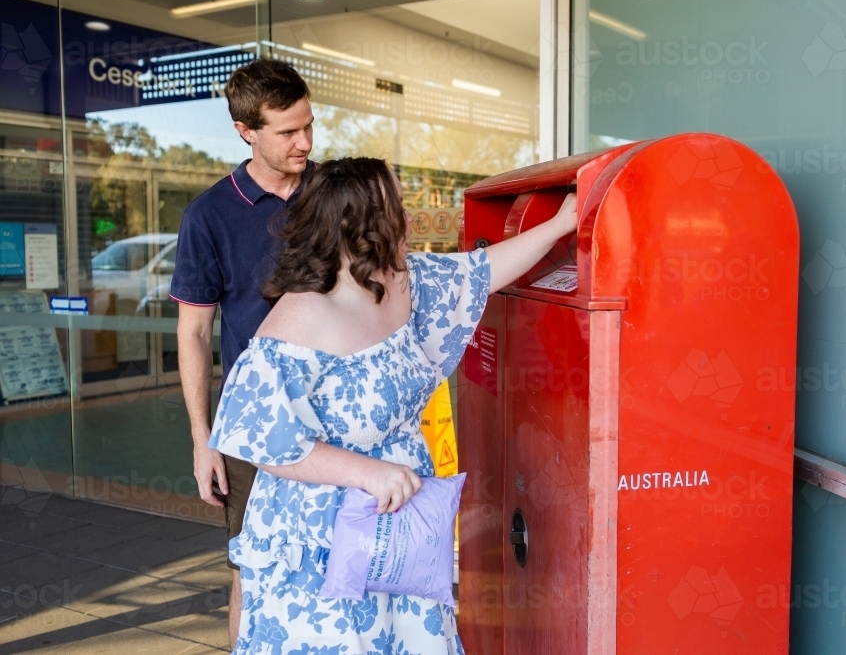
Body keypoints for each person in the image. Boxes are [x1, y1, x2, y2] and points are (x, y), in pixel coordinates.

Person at [208, 157, 577, 653]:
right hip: (323, 543)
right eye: (396, 207)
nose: (407, 218)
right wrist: (367, 472)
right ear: (362, 225)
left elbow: (482, 271)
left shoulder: (400, 282)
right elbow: (259, 441)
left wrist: (560, 224)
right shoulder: (299, 318)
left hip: (399, 530)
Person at [170, 58, 313, 647]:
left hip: (344, 411)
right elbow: (195, 333)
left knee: (350, 557)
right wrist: (203, 439)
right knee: (251, 565)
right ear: (245, 130)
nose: (304, 142)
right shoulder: (209, 215)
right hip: (257, 421)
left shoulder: (336, 195)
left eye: (309, 125)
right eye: (287, 131)